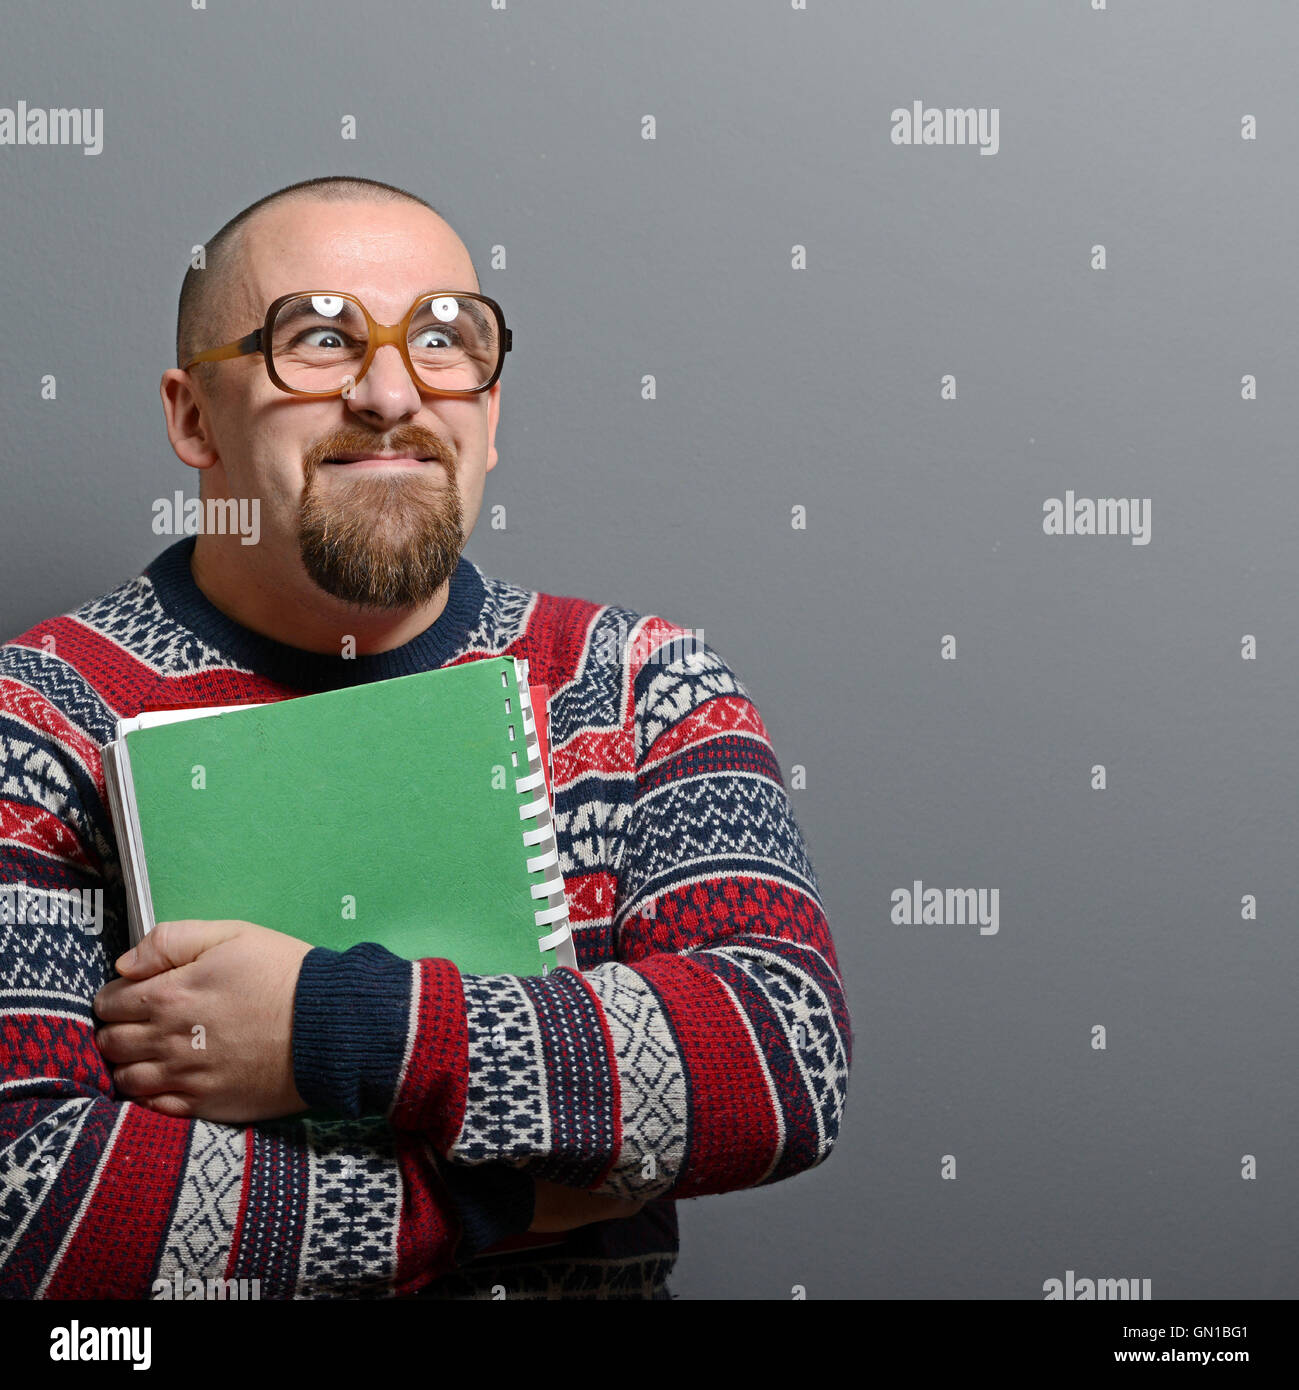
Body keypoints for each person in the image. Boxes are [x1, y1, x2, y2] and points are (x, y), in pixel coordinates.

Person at [0, 175, 852, 1300]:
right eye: (317, 337)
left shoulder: (646, 685)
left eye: (446, 339)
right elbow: (38, 1204)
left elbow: (777, 1055)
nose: (392, 392)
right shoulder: (35, 716)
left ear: (490, 414)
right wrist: (495, 1198)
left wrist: (324, 1024)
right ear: (194, 416)